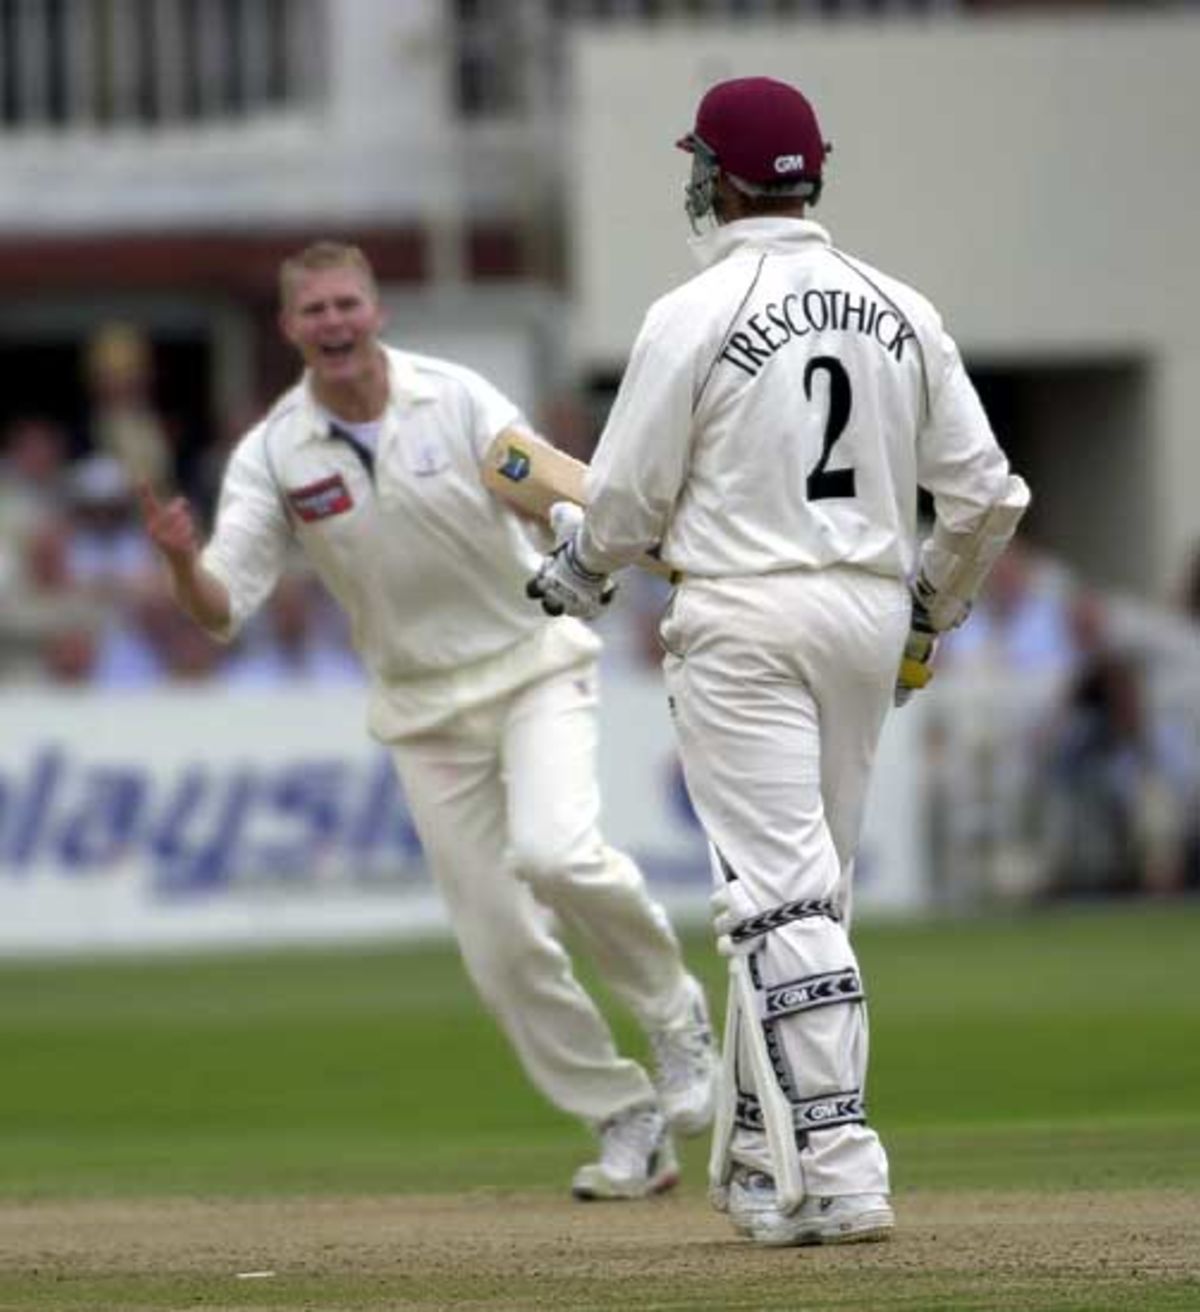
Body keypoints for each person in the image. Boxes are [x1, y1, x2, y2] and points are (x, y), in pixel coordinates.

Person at [529, 77, 1029, 1244]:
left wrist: (579, 569)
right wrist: (926, 612)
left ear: (720, 179)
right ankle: (763, 1158)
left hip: (742, 618)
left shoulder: (691, 313)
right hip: (863, 613)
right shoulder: (901, 307)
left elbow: (627, 497)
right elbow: (987, 494)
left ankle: (846, 1169)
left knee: (779, 900)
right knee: (804, 901)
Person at [138, 240, 717, 1200]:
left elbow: (545, 485)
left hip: (531, 666)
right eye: (313, 310)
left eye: (346, 304)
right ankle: (625, 1117)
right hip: (421, 712)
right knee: (499, 947)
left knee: (556, 855)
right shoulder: (276, 455)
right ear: (289, 328)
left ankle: (673, 1013)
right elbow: (222, 606)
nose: (333, 323)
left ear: (376, 312)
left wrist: (584, 527)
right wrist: (178, 565)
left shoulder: (455, 397)